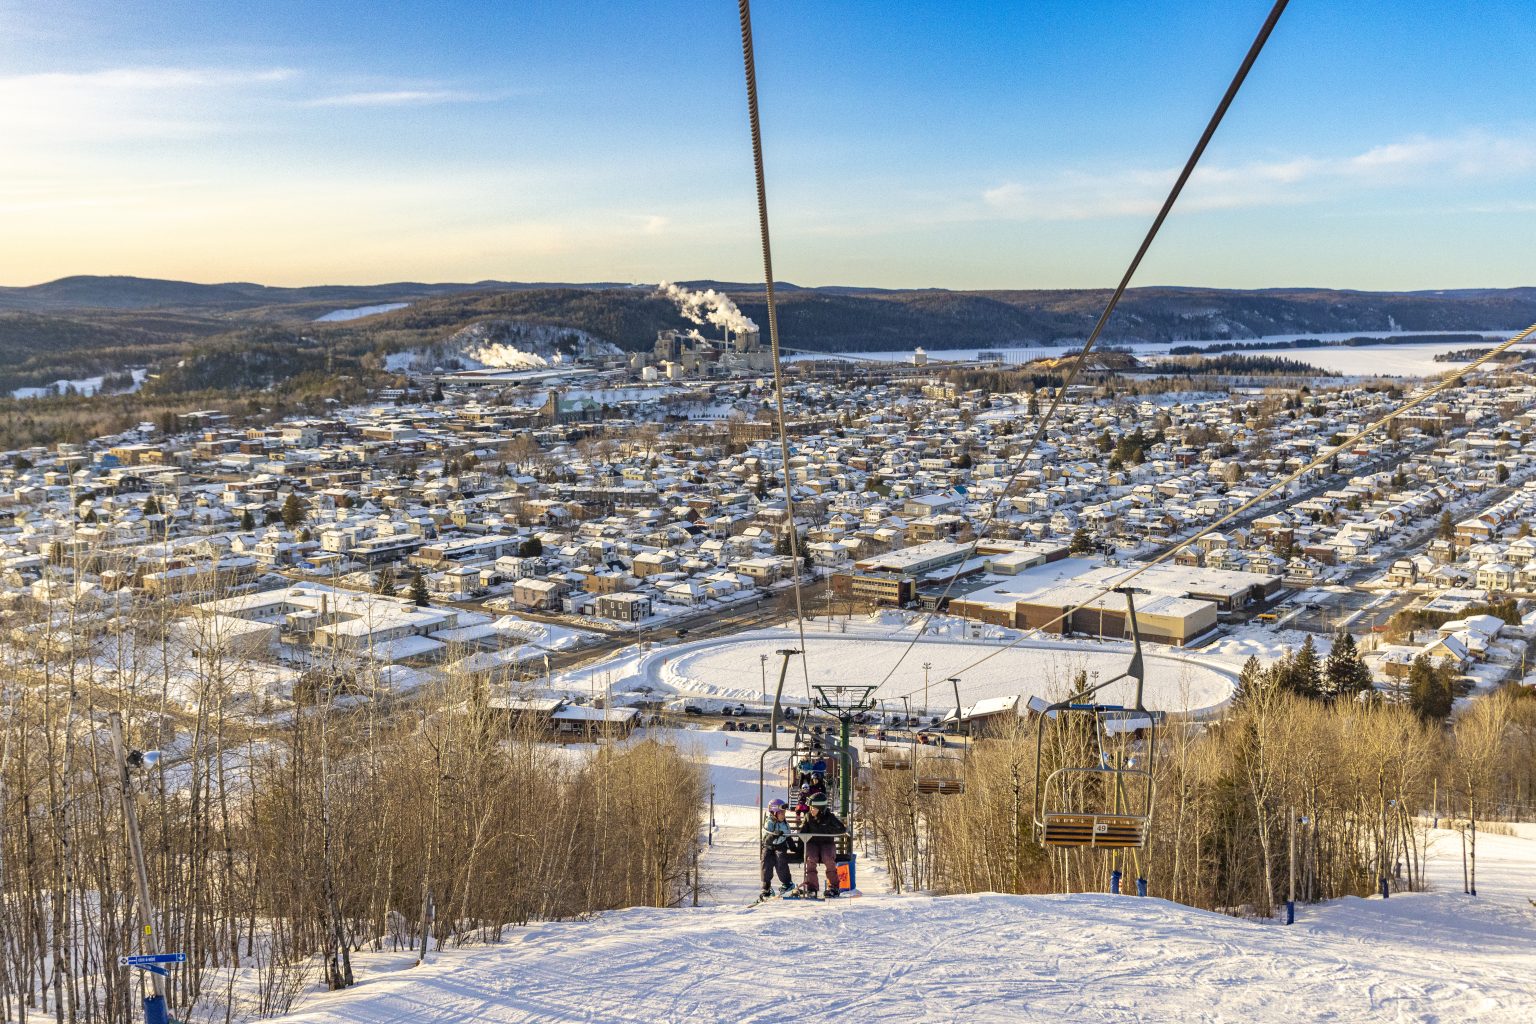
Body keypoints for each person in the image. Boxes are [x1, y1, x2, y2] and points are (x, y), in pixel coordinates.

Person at [798, 793, 847, 898]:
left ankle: (834, 887)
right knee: (811, 859)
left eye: (813, 808)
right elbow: (802, 833)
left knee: (828, 858)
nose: (811, 810)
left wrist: (829, 830)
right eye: (810, 808)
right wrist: (799, 848)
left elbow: (842, 829)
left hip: (827, 843)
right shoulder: (808, 817)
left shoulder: (829, 817)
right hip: (812, 843)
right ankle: (812, 888)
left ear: (820, 808)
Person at [760, 799, 796, 899]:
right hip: (769, 847)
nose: (783, 815)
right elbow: (766, 840)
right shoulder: (769, 823)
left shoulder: (784, 823)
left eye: (784, 813)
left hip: (780, 846)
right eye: (781, 813)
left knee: (780, 859)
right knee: (766, 860)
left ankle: (787, 883)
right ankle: (766, 886)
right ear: (774, 813)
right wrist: (774, 835)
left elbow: (788, 835)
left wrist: (794, 847)